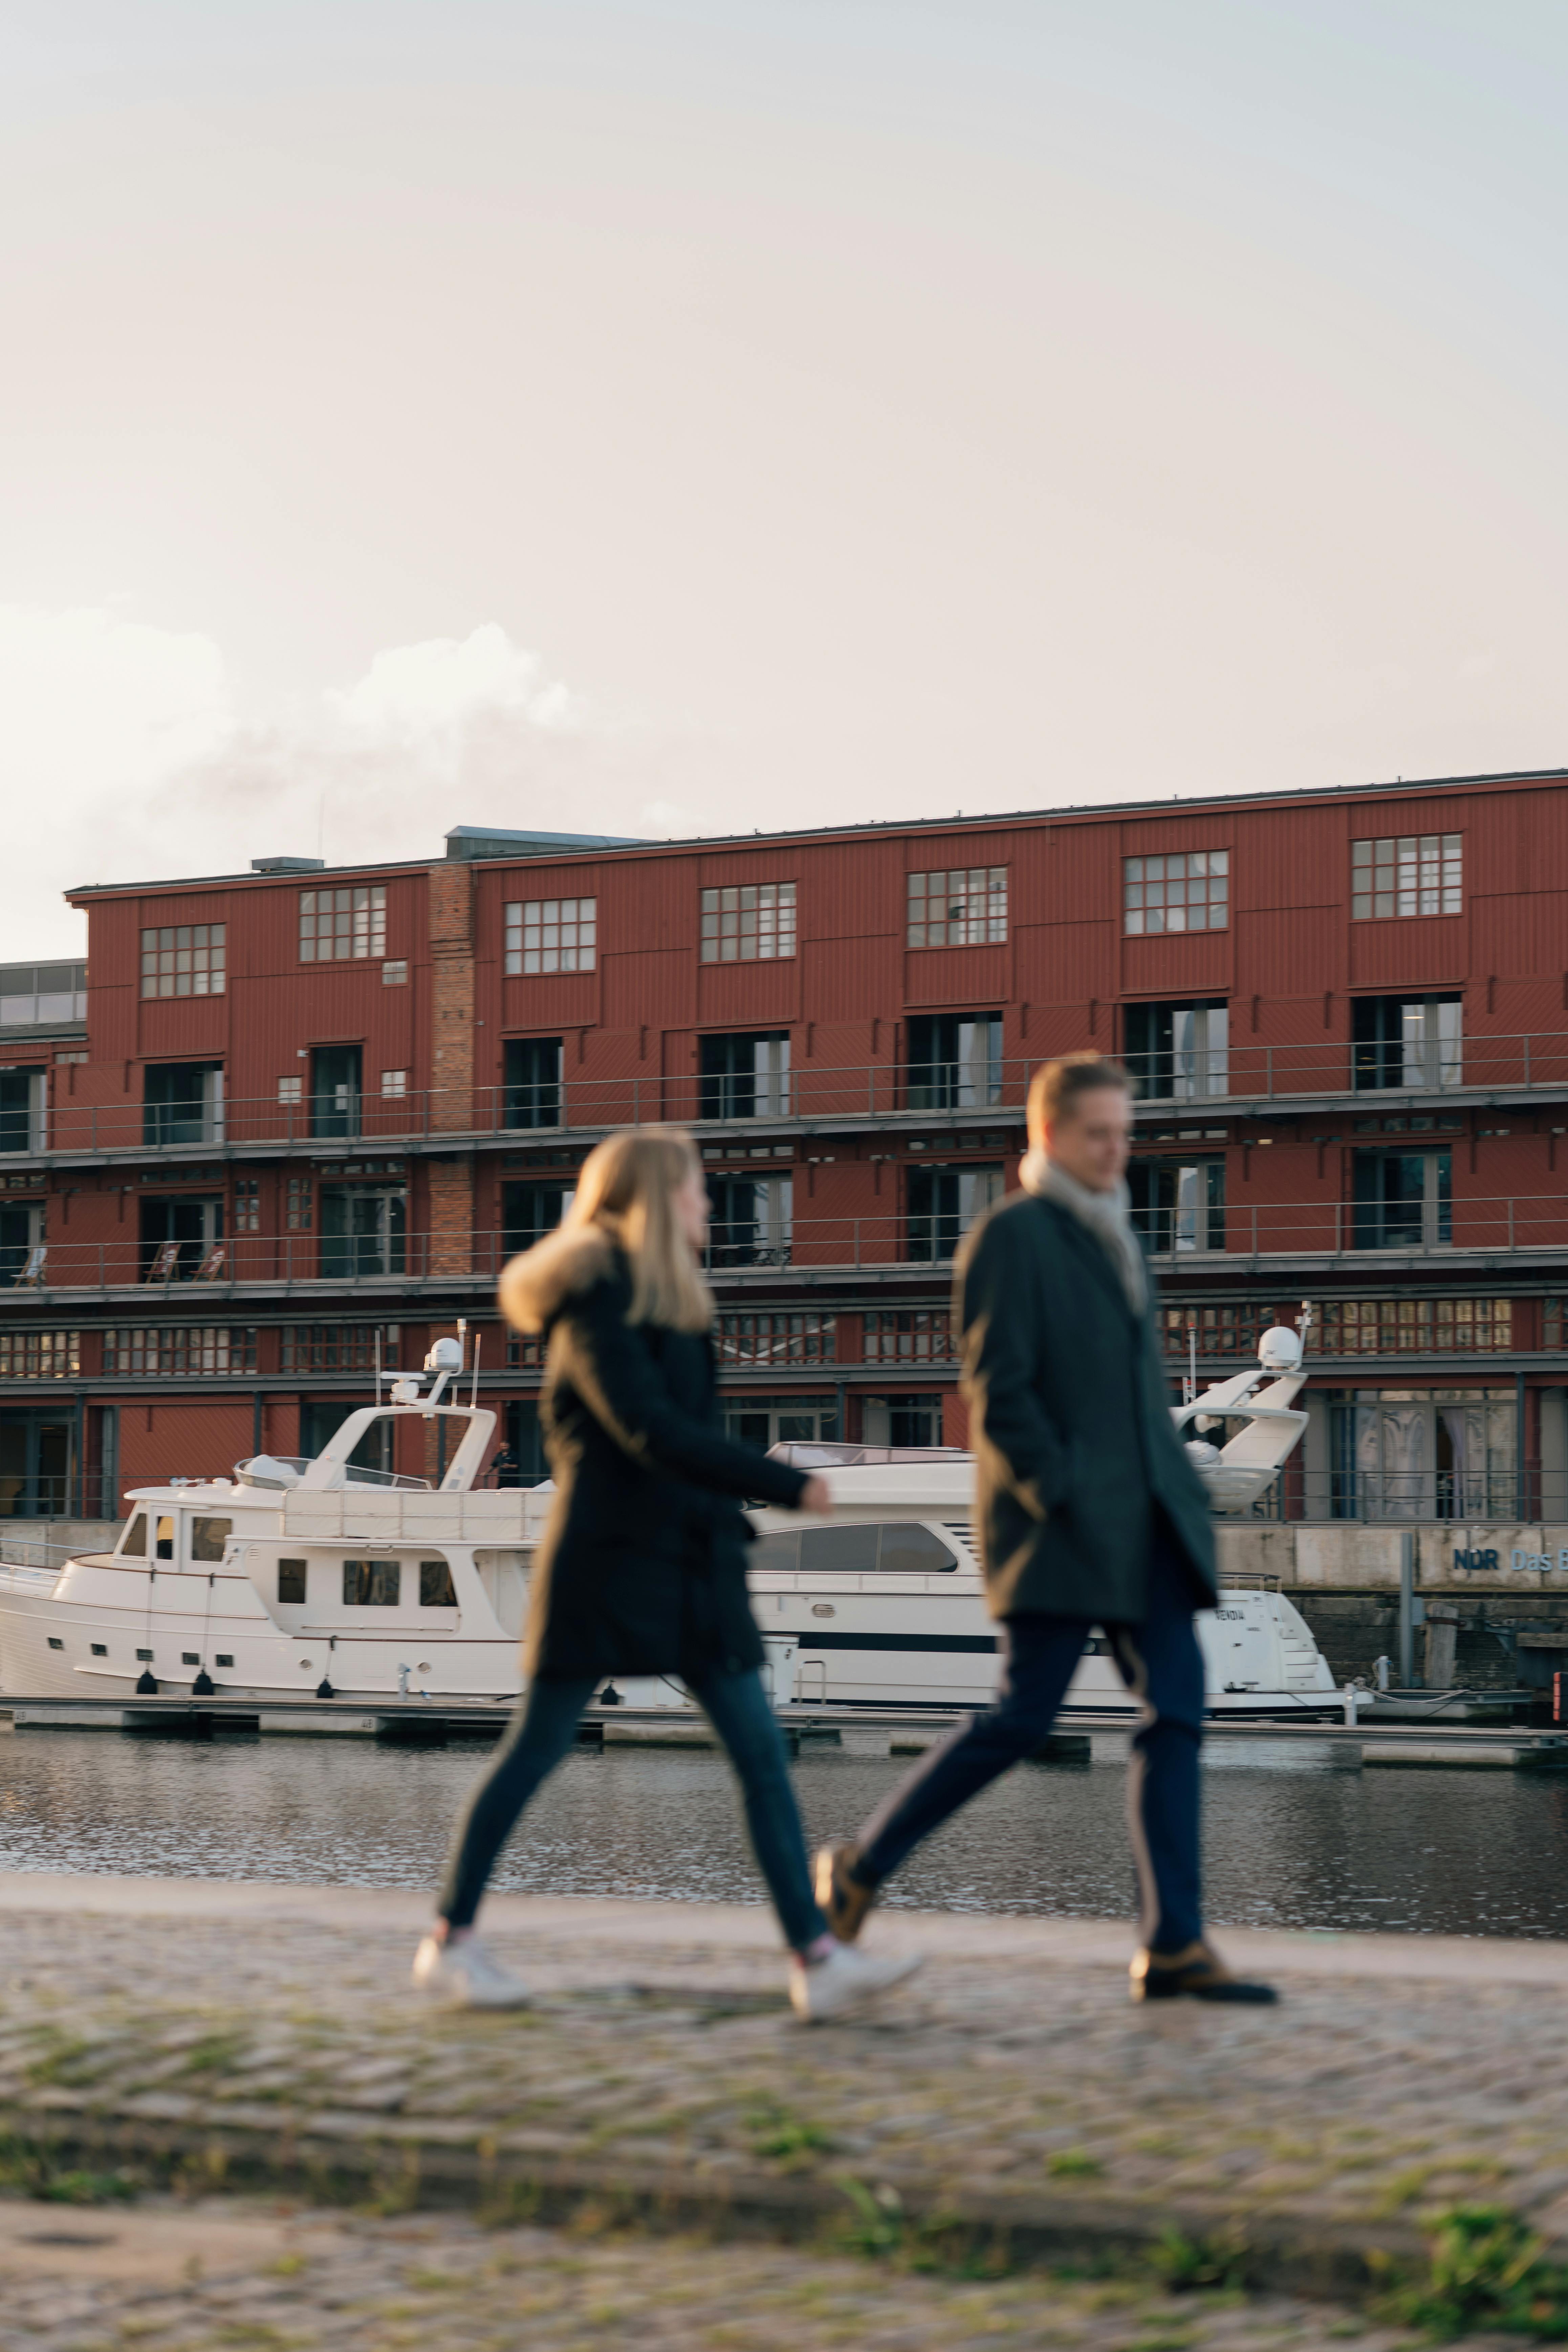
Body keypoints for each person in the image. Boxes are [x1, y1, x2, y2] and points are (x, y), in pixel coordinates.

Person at [413, 1126, 920, 2023]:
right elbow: (649, 1428)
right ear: (652, 1197)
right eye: (695, 1189)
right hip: (609, 1564)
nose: (709, 1204)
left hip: (688, 1562)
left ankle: (817, 1956)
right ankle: (451, 1943)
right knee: (536, 1748)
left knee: (762, 1753)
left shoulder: (664, 1299)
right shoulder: (594, 1296)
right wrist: (786, 1482)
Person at [814, 1054, 1277, 2004]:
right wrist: (1064, 1493)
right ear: (1051, 1136)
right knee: (1025, 1716)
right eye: (1101, 1134)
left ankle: (1175, 1943)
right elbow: (1002, 1392)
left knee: (1180, 1712)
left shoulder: (1119, 1236)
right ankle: (859, 1866)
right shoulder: (1011, 1238)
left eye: (1126, 1133)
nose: (1119, 1151)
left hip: (1147, 1521)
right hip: (1064, 1522)